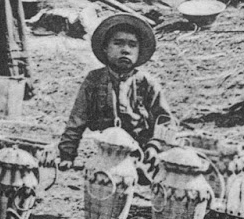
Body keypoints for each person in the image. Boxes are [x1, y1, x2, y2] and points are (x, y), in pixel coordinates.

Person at [51, 13, 176, 167]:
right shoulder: (94, 80)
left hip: (141, 152)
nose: (125, 50)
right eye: (118, 43)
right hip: (107, 148)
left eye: (132, 45)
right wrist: (66, 155)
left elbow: (165, 121)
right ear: (105, 48)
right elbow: (77, 119)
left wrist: (154, 147)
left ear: (139, 50)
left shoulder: (147, 83)